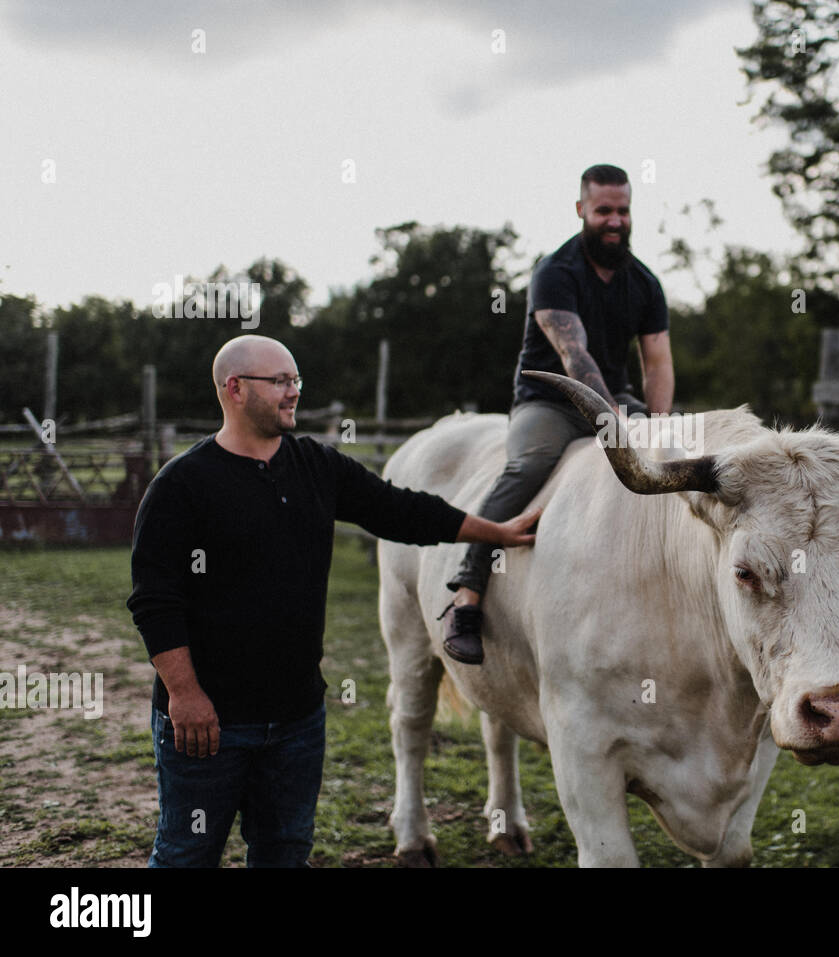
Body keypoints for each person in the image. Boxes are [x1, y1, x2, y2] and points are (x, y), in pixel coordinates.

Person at [127, 334, 540, 867]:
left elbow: (404, 511)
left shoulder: (317, 467)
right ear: (234, 388)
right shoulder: (181, 485)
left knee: (285, 851)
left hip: (297, 718)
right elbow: (155, 601)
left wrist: (494, 532)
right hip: (209, 722)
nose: (293, 391)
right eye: (279, 381)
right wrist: (184, 696)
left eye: (295, 380)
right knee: (189, 852)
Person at [442, 163, 674, 665]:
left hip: (617, 397)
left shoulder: (645, 283)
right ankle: (468, 594)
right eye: (604, 210)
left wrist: (659, 430)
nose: (615, 220)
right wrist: (614, 424)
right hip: (549, 399)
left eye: (624, 210)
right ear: (581, 211)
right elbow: (575, 357)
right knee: (526, 466)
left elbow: (657, 361)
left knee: (678, 455)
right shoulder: (556, 272)